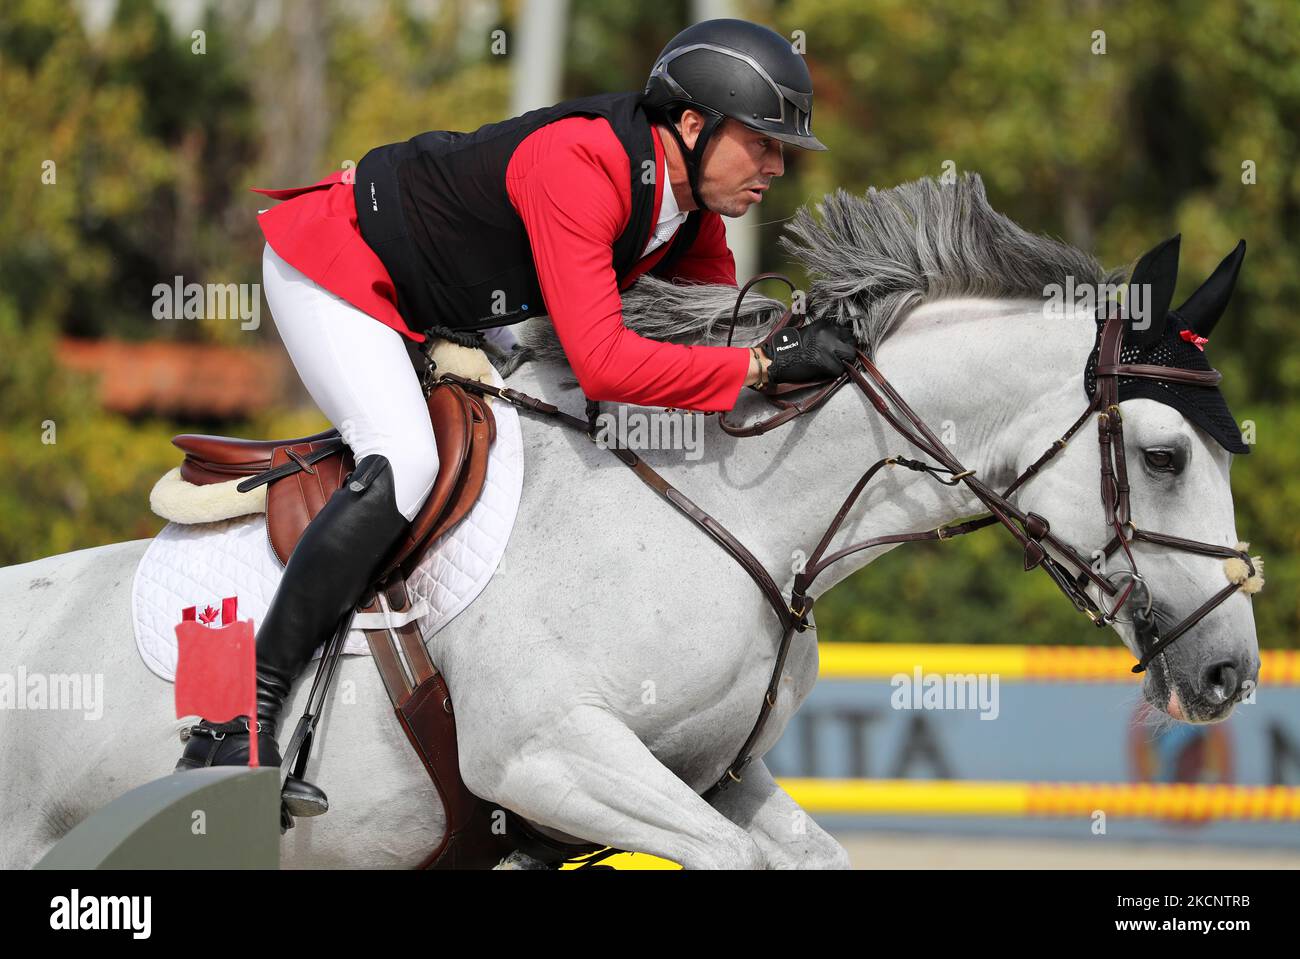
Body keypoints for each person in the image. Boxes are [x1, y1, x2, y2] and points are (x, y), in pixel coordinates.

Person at [173, 18, 856, 814]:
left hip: (446, 312)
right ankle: (234, 721)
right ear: (694, 126)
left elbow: (707, 339)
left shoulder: (693, 217)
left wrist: (797, 346)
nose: (777, 166)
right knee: (406, 458)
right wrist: (761, 366)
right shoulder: (582, 163)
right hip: (338, 264)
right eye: (763, 143)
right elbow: (606, 361)